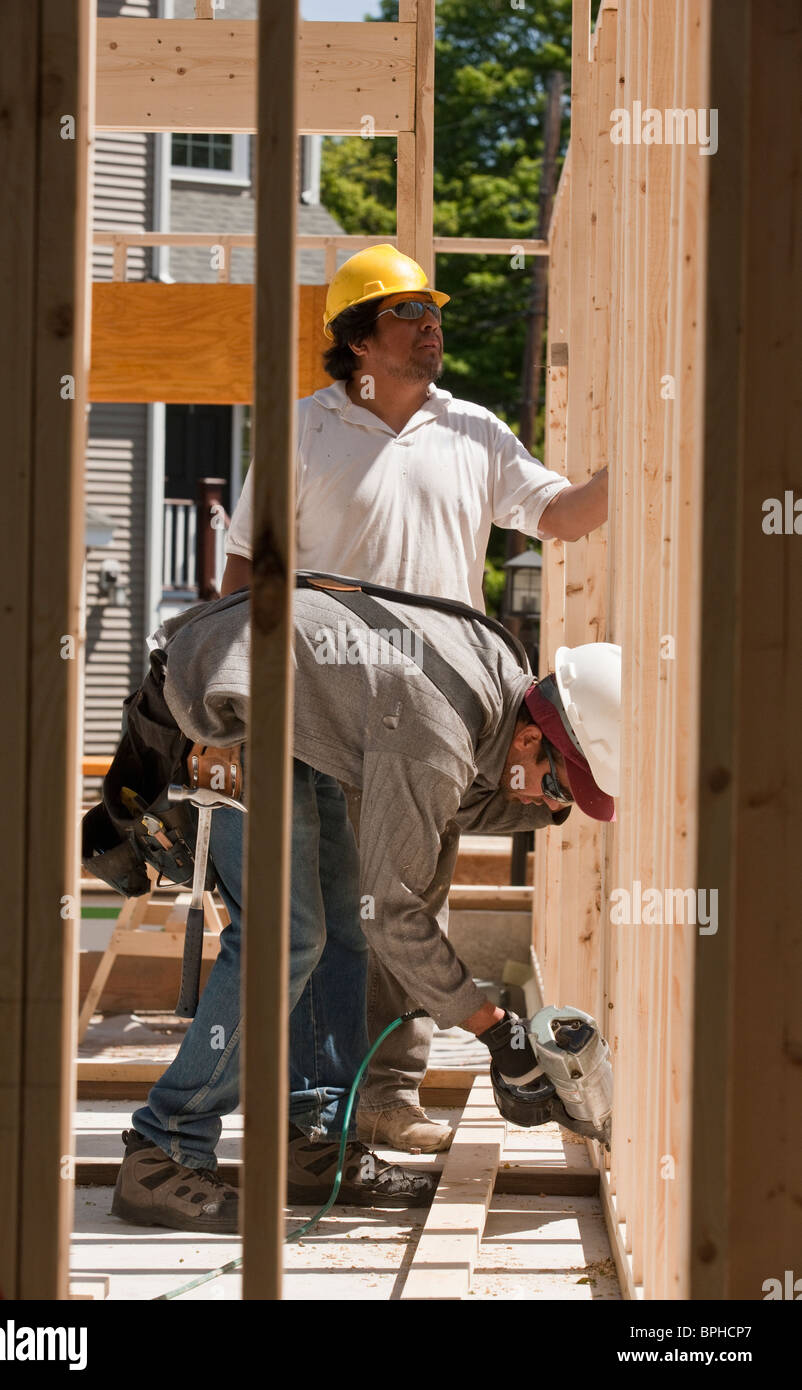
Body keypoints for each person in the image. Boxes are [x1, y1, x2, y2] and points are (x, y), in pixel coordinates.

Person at [217, 244, 608, 1153]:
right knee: (327, 917)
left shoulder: (471, 431)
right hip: (324, 710)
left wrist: (636, 469)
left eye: (433, 314)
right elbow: (245, 568)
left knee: (406, 903)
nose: (432, 326)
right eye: (408, 314)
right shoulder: (306, 432)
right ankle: (318, 1107)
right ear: (358, 338)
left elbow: (558, 516)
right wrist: (228, 703)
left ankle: (389, 1093)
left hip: (437, 714)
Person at [111, 577, 621, 1234]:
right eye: (558, 786)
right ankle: (162, 1152)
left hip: (295, 715)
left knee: (343, 932)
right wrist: (498, 1030)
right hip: (228, 702)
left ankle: (315, 1144)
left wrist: (546, 804)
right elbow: (396, 908)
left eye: (568, 803)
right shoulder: (438, 730)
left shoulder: (502, 681)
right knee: (286, 937)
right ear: (531, 739)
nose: (554, 806)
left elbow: (448, 808)